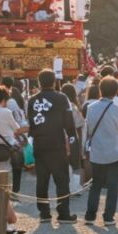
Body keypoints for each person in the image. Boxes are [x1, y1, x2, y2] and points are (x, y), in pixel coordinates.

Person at [26, 69, 77, 223]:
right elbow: (69, 123)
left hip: (39, 143)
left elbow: (30, 122)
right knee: (61, 179)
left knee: (42, 180)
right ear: (54, 81)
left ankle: (44, 213)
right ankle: (63, 213)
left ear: (39, 82)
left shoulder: (32, 100)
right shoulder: (62, 98)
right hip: (56, 143)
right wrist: (72, 138)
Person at [84, 77, 118, 227]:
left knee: (96, 185)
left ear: (101, 90)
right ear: (115, 93)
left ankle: (90, 216)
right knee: (113, 186)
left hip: (97, 152)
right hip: (114, 152)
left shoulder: (91, 108)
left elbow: (89, 129)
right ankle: (108, 217)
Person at [0, 85, 26, 195]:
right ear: (3, 99)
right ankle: (15, 192)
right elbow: (16, 129)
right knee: (16, 167)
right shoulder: (6, 112)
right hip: (6, 148)